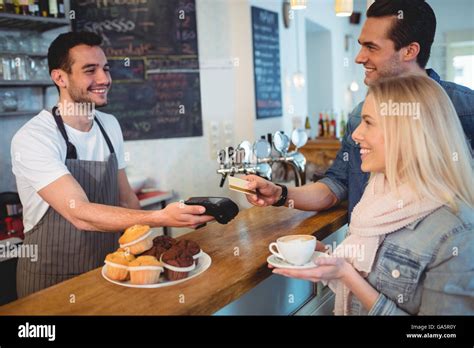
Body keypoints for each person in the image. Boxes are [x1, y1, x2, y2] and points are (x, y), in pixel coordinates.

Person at [11, 32, 213, 297]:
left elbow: (127, 199)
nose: (104, 79)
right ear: (60, 77)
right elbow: (79, 213)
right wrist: (160, 217)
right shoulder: (34, 137)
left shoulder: (109, 126)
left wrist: (151, 256)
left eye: (105, 69)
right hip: (51, 282)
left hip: (111, 271)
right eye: (90, 70)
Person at [244, 0, 473, 221]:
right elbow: (336, 185)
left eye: (371, 47)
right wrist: (281, 194)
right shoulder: (358, 117)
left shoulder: (467, 110)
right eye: (361, 45)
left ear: (409, 51)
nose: (359, 58)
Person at [273, 75, 474, 315]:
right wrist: (329, 262)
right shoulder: (377, 194)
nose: (356, 134)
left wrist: (347, 275)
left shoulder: (457, 233)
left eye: (368, 122)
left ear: (408, 132)